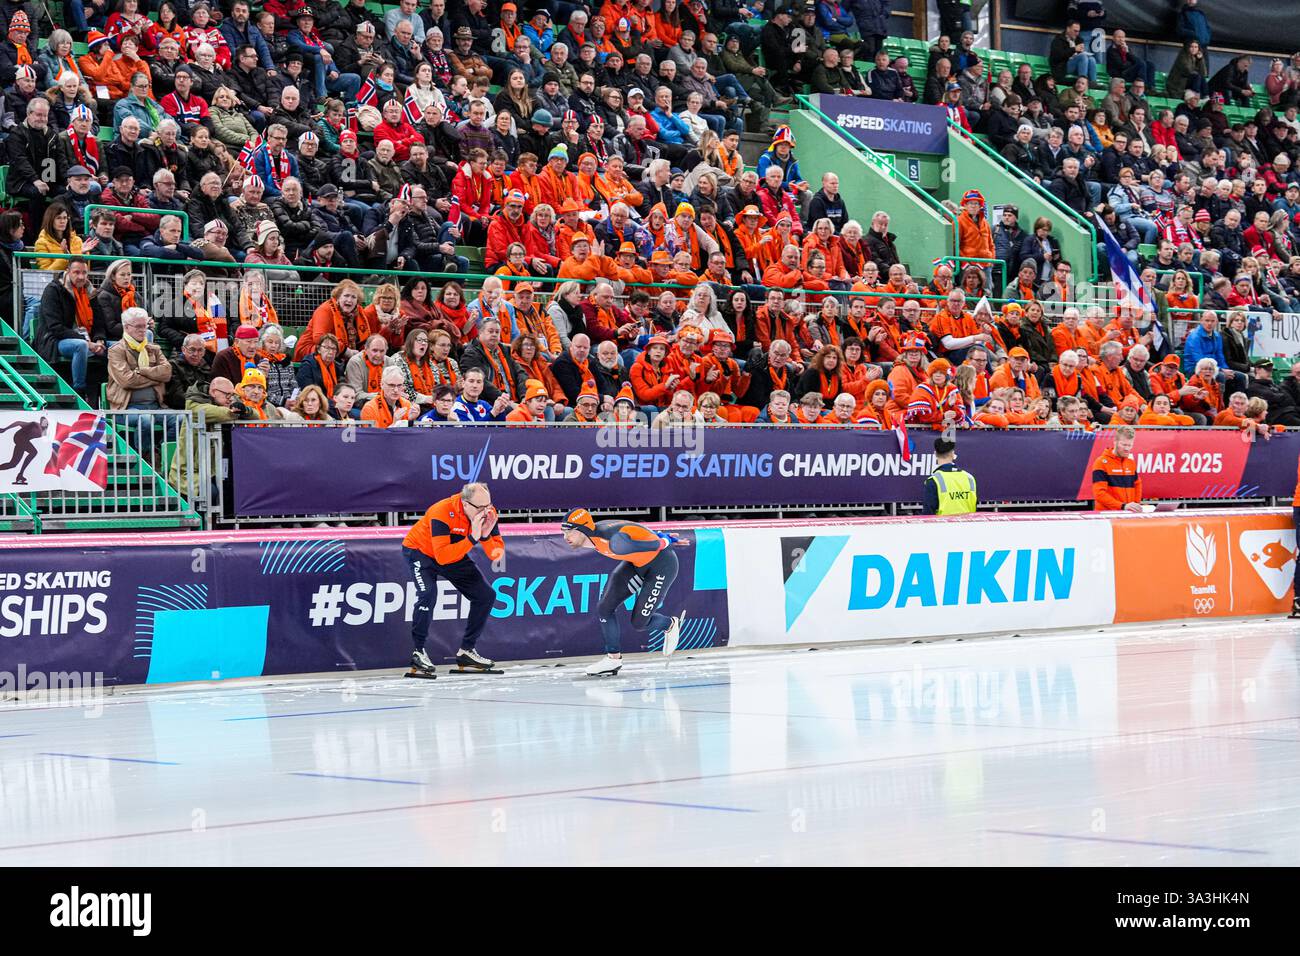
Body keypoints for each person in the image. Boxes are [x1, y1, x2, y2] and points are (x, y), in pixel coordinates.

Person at [560, 508, 684, 677]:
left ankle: (669, 624)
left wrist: (664, 539)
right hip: (636, 563)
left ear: (583, 530)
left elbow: (655, 545)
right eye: (564, 532)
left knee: (639, 623)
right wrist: (657, 534)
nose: (566, 538)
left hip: (661, 566)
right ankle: (613, 659)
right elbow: (633, 528)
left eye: (570, 532)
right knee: (604, 608)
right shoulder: (597, 535)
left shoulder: (614, 542)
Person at [401, 482, 505, 678]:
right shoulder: (442, 511)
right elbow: (441, 558)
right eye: (480, 508)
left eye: (489, 506)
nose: (486, 512)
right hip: (421, 552)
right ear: (465, 503)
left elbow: (496, 555)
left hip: (454, 552)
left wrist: (485, 536)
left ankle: (467, 651)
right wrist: (473, 538)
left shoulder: (488, 513)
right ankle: (418, 652)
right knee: (428, 595)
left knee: (486, 595)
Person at [920, 435, 977, 516]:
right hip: (969, 526)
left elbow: (928, 514)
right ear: (953, 454)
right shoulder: (969, 478)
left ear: (935, 454)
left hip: (943, 527)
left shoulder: (933, 481)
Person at [1092, 424, 1143, 512]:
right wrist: (1122, 506)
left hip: (1126, 513)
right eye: (1124, 445)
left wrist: (1135, 505)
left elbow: (1137, 484)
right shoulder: (1101, 462)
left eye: (1130, 445)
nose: (1127, 448)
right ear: (1115, 442)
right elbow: (1099, 494)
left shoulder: (1130, 462)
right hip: (1106, 514)